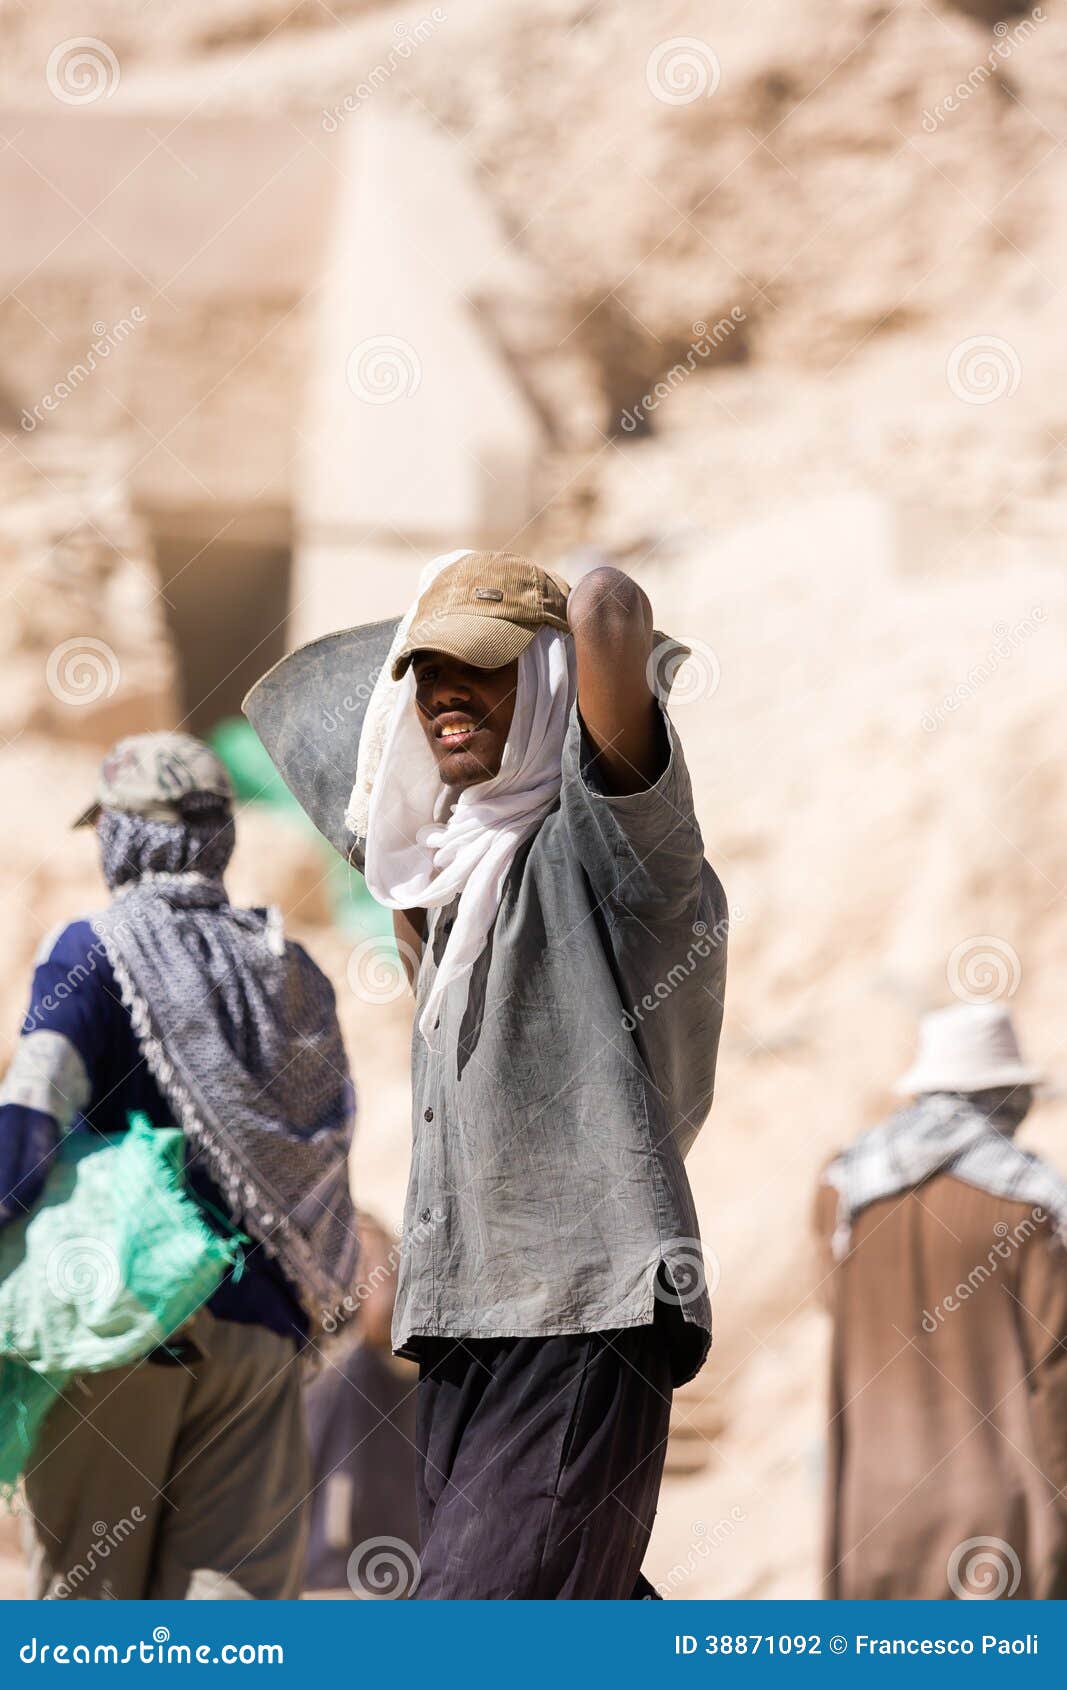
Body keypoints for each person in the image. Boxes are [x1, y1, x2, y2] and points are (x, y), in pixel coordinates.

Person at [258, 548, 728, 1599]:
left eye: (480, 667)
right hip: (467, 1319)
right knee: (569, 1605)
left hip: (580, 1305)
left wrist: (538, 609)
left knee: (475, 1624)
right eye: (425, 676)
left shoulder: (610, 850)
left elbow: (609, 603)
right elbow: (380, 822)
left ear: (554, 680)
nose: (444, 695)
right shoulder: (441, 885)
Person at [0, 732, 358, 1600]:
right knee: (225, 1619)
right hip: (265, 1328)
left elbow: (31, 1112)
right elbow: (327, 1140)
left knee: (87, 1613)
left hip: (122, 1317)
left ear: (123, 839)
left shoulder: (92, 949)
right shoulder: (293, 968)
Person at [815, 1002, 1067, 1600]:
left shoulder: (844, 1189)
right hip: (996, 1515)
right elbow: (1054, 1368)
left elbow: (833, 1307)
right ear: (1004, 1095)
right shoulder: (1030, 1203)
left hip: (871, 1506)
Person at [302, 1215, 419, 1597]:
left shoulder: (382, 1355)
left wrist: (369, 1242)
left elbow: (381, 1315)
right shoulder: (314, 1352)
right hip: (317, 1575)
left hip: (372, 1578)